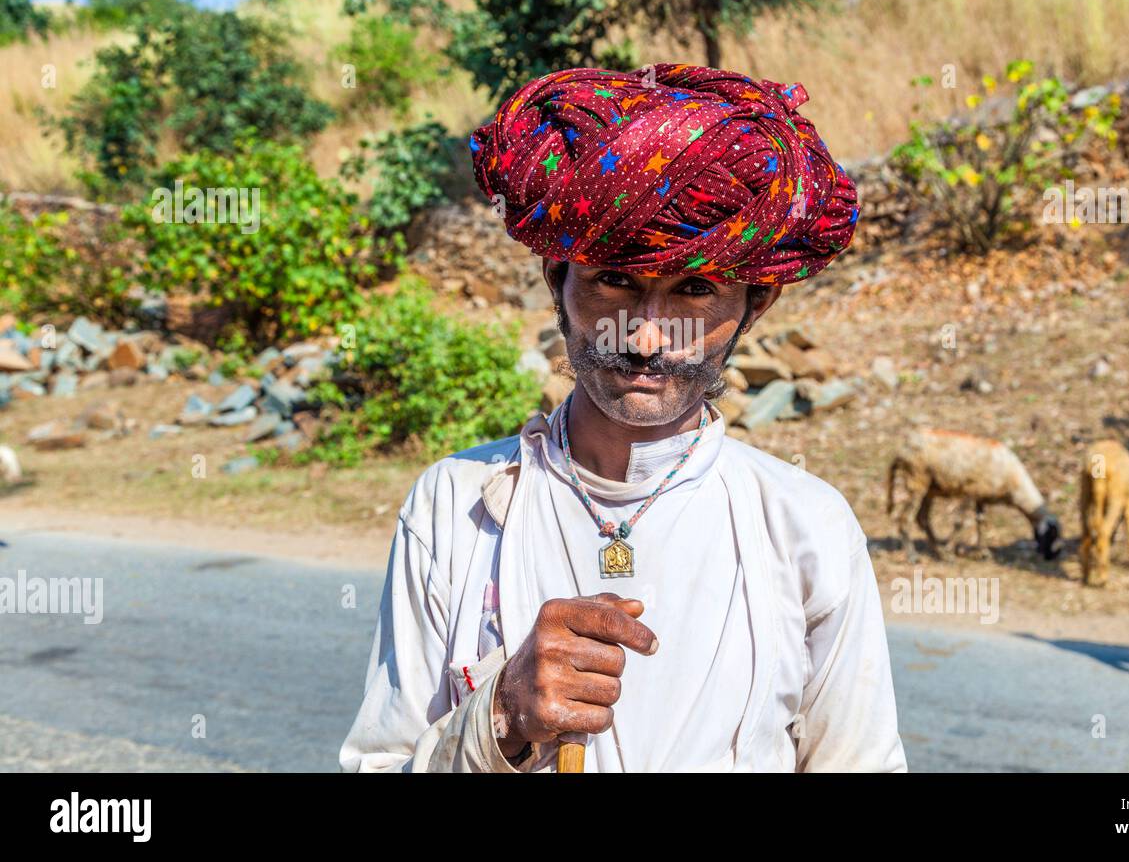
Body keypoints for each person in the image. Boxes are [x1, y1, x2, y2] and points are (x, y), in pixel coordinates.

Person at [339, 63, 906, 772]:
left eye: (694, 288)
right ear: (557, 281)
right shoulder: (452, 508)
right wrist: (503, 716)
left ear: (754, 307)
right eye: (614, 281)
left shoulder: (806, 529)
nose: (643, 338)